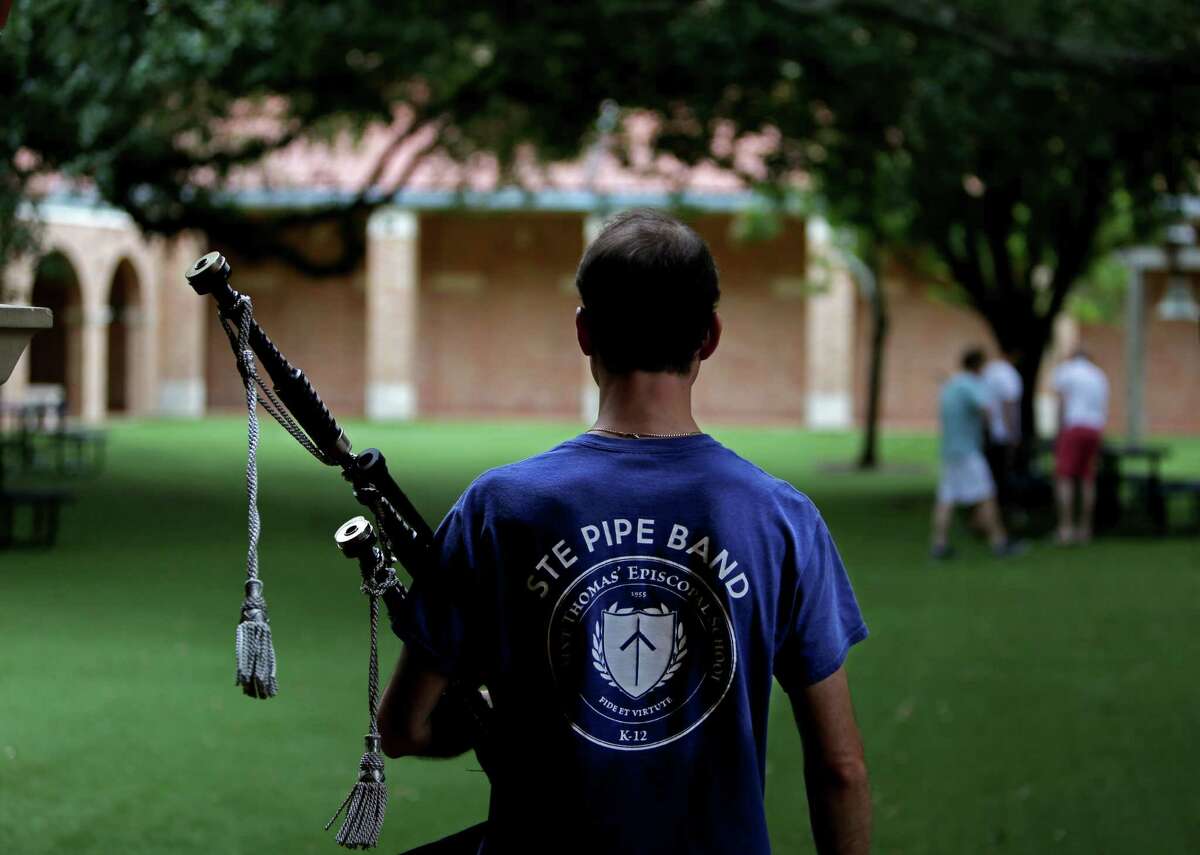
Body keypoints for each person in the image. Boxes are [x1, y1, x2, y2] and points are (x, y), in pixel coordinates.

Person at [378, 209, 872, 855]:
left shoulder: (497, 507)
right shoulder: (781, 517)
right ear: (710, 336)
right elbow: (840, 768)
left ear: (585, 332)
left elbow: (403, 727)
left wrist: (486, 717)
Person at [931, 347, 1024, 559]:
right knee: (986, 494)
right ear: (978, 366)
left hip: (949, 449)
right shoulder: (970, 385)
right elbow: (986, 408)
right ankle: (999, 542)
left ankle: (939, 544)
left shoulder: (951, 385)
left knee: (946, 498)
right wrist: (991, 429)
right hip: (968, 451)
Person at [1052, 349, 1109, 544]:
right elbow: (1102, 408)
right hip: (1094, 429)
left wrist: (1057, 430)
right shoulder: (1099, 375)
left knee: (1065, 478)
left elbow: (1060, 403)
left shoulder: (1065, 371)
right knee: (1087, 479)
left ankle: (1065, 528)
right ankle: (1086, 529)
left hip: (1073, 426)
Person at [981, 349, 1023, 508]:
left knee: (989, 476)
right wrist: (1013, 434)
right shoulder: (1009, 374)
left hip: (988, 431)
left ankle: (987, 513)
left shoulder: (988, 370)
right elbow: (1009, 405)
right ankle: (1002, 511)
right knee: (1003, 477)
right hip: (1002, 433)